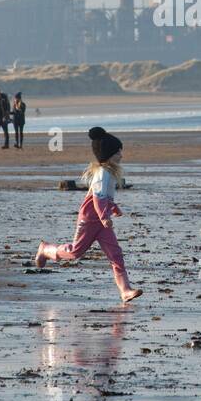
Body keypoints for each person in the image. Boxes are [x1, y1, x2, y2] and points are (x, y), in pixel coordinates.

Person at [33, 126, 142, 302]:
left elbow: (106, 197)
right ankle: (45, 250)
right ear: (107, 155)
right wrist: (105, 216)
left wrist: (113, 208)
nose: (121, 155)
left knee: (116, 254)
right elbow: (98, 198)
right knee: (75, 252)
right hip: (90, 219)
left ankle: (125, 290)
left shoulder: (111, 174)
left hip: (101, 222)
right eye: (117, 153)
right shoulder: (102, 173)